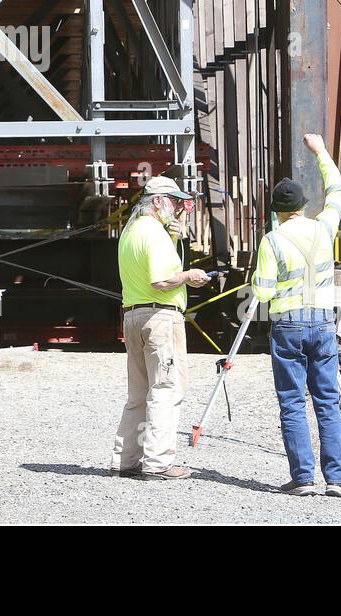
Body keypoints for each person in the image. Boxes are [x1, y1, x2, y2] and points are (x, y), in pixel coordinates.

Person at [252, 133, 341, 497]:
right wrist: (321, 151)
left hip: (288, 325)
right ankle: (335, 480)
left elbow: (261, 291)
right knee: (326, 399)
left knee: (292, 401)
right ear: (305, 206)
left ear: (276, 211)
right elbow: (337, 191)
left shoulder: (272, 241)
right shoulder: (324, 228)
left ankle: (304, 479)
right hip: (323, 322)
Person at [112, 175, 211, 481]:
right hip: (160, 318)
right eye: (172, 201)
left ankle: (126, 460)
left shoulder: (131, 230)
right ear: (157, 201)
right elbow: (160, 280)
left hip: (133, 315)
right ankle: (157, 463)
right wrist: (189, 275)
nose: (177, 207)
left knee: (139, 393)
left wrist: (174, 237)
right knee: (166, 388)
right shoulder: (154, 233)